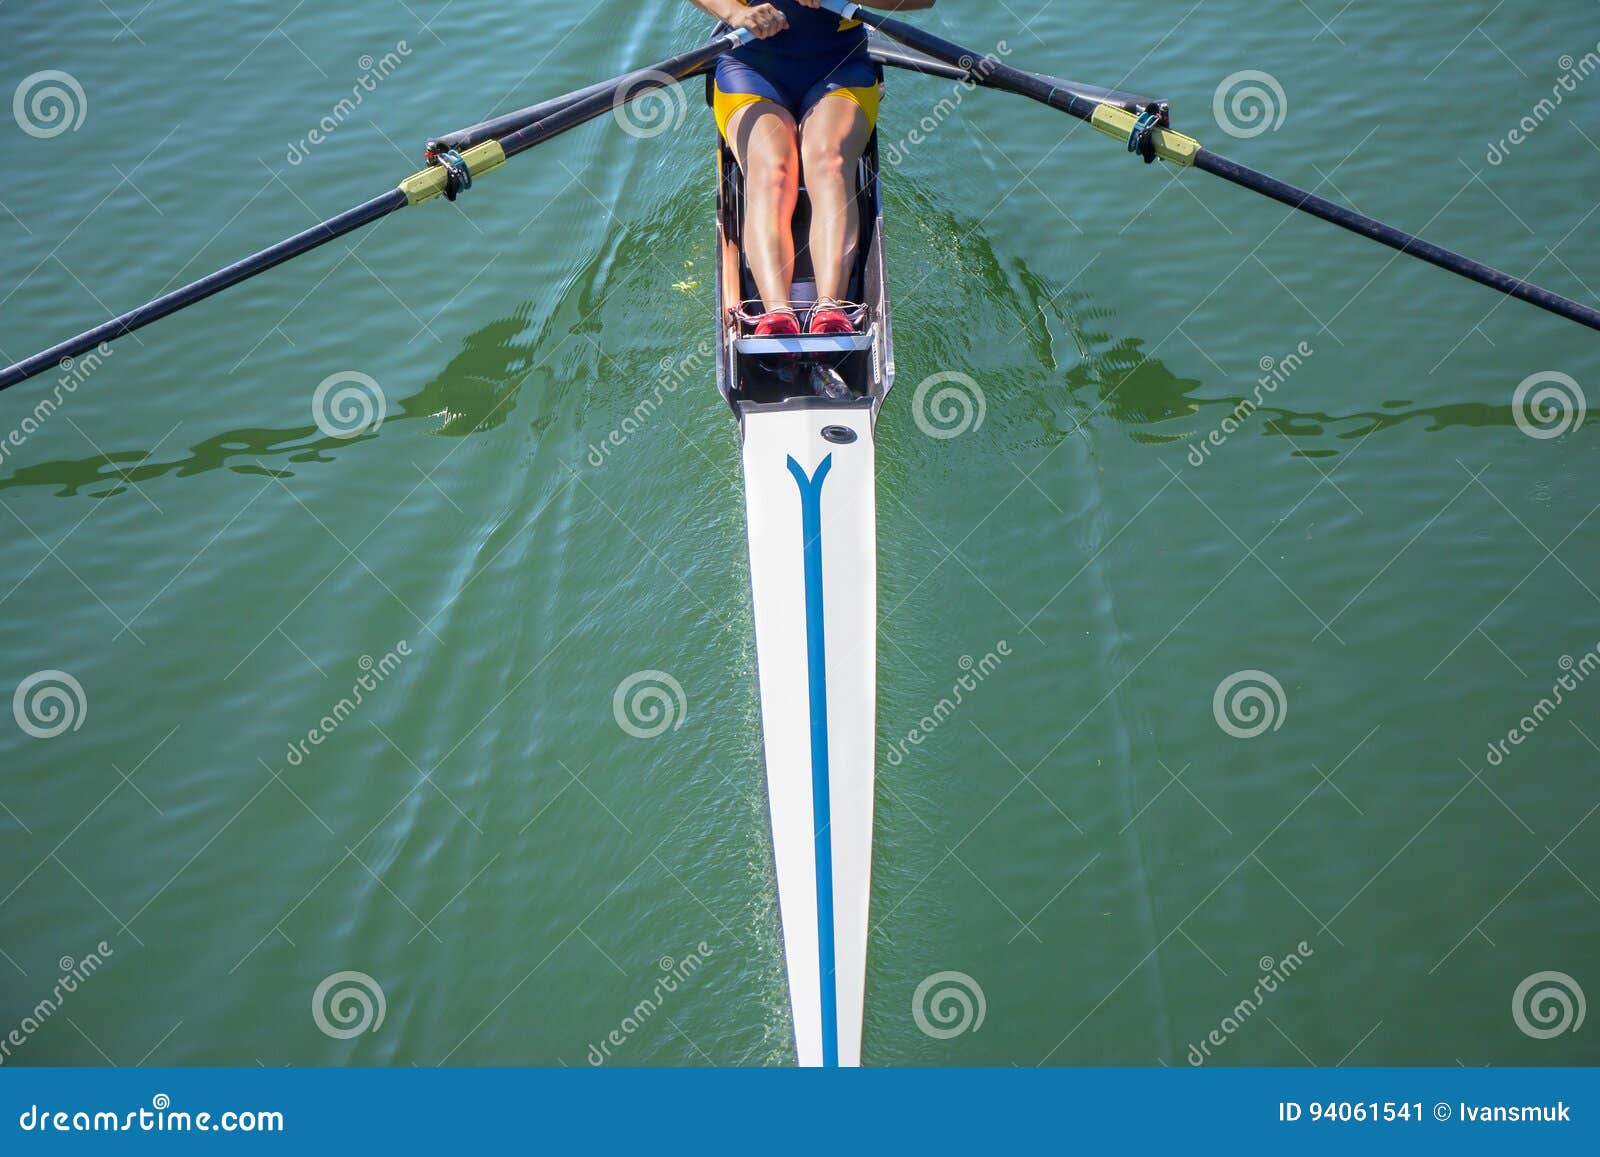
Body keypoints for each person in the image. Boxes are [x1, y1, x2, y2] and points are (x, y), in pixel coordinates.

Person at [690, 0, 936, 336]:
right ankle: (777, 315)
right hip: (749, 68)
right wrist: (736, 14)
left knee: (829, 160)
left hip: (840, 67)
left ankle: (831, 311)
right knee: (773, 170)